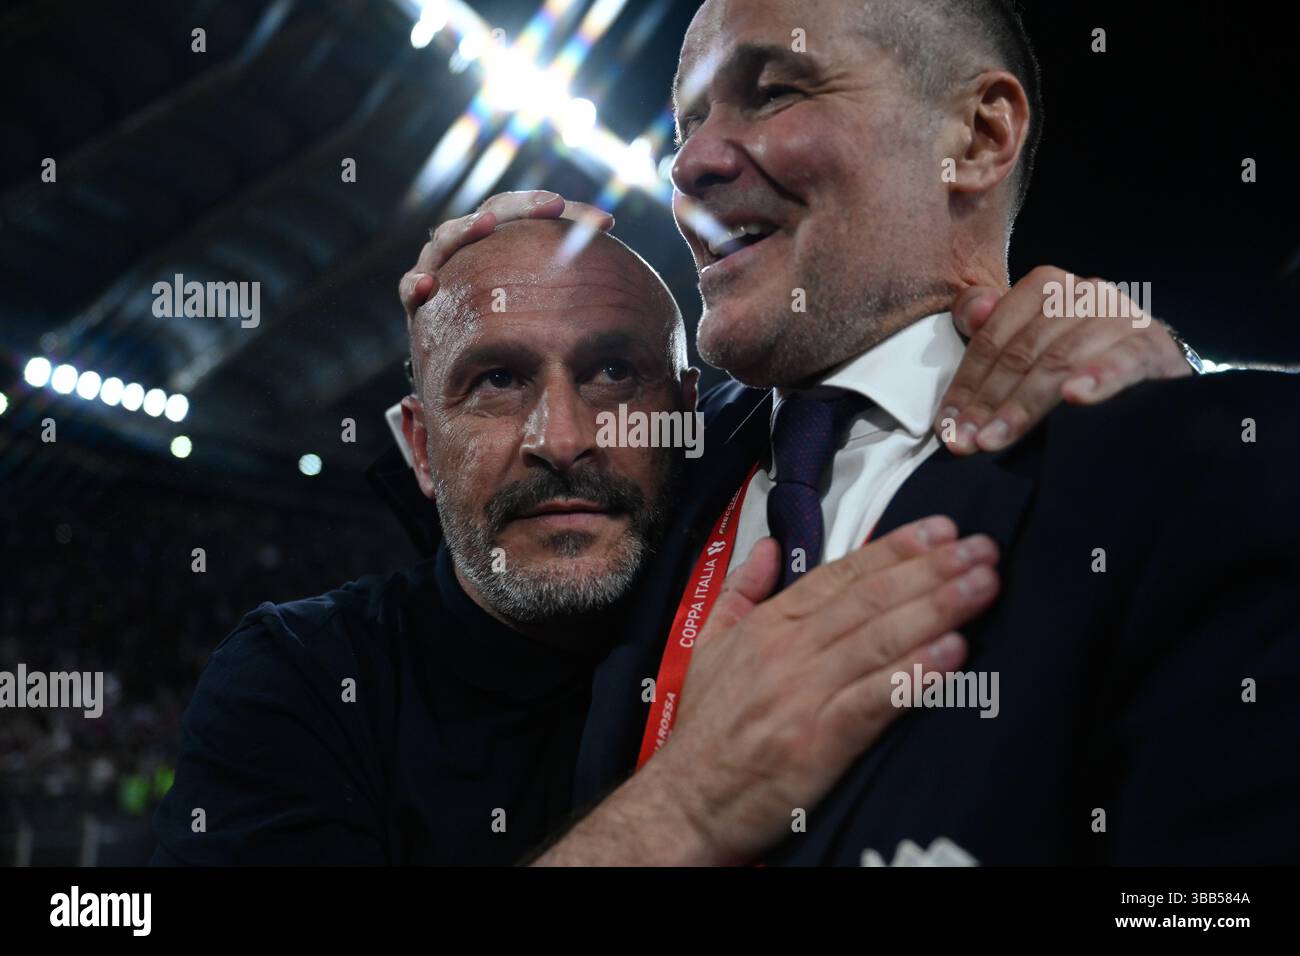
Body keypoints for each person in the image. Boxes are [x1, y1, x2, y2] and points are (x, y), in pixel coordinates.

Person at [403, 0, 1299, 865]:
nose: (692, 163)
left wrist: (1174, 417)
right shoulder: (647, 463)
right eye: (686, 123)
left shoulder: (1203, 471)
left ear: (979, 137)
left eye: (776, 91)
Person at [152, 219, 1005, 865]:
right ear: (418, 445)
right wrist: (691, 804)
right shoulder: (294, 678)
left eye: (611, 374)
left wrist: (1050, 323)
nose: (561, 438)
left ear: (685, 419)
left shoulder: (749, 538)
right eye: (496, 380)